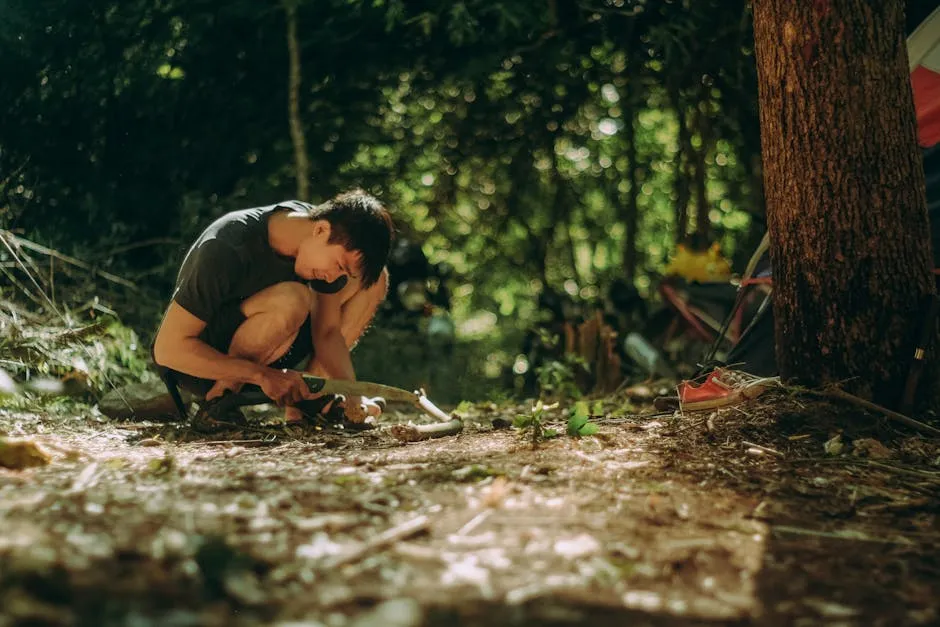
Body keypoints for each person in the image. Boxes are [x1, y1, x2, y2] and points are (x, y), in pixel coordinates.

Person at [152, 189, 393, 425]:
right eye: (339, 265)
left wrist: (352, 395)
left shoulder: (316, 235)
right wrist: (261, 375)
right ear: (321, 230)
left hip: (272, 353)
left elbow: (328, 333)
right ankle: (220, 400)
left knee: (374, 281)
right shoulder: (227, 245)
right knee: (293, 298)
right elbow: (167, 350)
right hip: (199, 363)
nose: (333, 279)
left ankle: (310, 400)